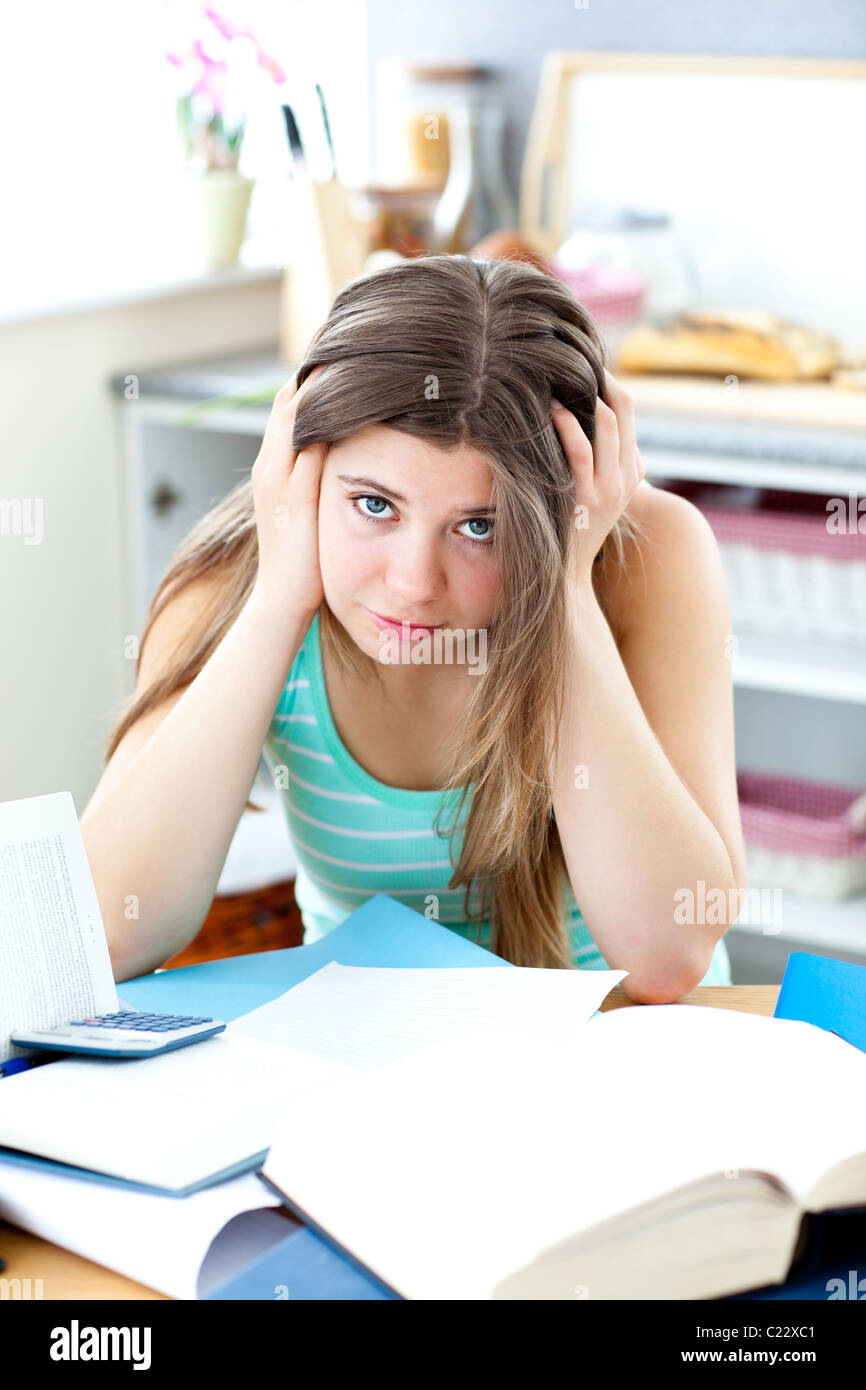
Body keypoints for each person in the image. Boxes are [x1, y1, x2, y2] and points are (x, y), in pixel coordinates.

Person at [81, 254, 745, 996]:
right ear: (297, 464)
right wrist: (278, 601)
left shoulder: (650, 556)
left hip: (618, 1054)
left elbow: (671, 956)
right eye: (374, 505)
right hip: (362, 1058)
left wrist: (564, 591)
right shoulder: (230, 583)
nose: (412, 584)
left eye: (479, 527)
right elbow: (105, 933)